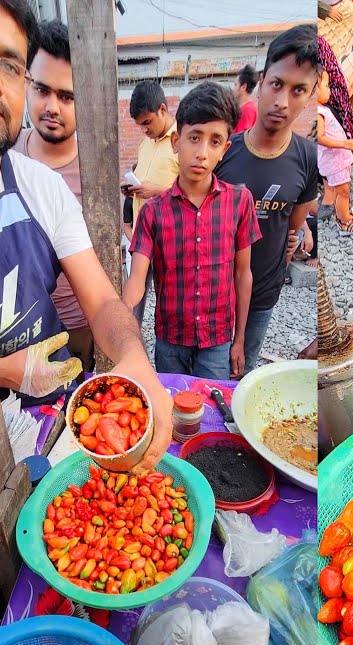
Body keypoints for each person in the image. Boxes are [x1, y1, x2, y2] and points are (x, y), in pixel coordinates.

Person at [0, 0, 171, 469]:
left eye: (9, 64)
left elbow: (103, 302)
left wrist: (133, 358)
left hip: (47, 414)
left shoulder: (38, 185)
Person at [122, 82, 258, 381]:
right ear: (176, 141)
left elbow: (242, 274)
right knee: (173, 411)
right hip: (170, 340)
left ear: (225, 149)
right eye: (194, 138)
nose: (201, 153)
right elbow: (137, 279)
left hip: (217, 340)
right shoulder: (153, 211)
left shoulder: (240, 202)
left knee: (212, 411)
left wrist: (239, 340)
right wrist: (118, 315)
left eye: (214, 141)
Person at [215, 24, 320, 374]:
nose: (282, 102)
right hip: (215, 292)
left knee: (243, 369)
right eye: (276, 84)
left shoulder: (307, 158)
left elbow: (292, 228)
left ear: (311, 94)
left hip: (263, 293)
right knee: (211, 375)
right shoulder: (224, 151)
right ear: (262, 81)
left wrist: (292, 244)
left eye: (298, 90)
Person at [11, 20, 94, 372]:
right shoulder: (2, 156)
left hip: (77, 319)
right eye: (42, 90)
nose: (52, 107)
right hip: (15, 326)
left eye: (67, 96)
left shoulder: (97, 174)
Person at [124, 80, 178, 229]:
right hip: (142, 238)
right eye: (140, 125)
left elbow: (194, 195)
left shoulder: (183, 142)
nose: (144, 130)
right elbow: (146, 188)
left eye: (147, 122)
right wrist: (134, 191)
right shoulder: (145, 145)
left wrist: (155, 191)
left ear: (162, 110)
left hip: (167, 238)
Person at [316, 71, 353, 235]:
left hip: (338, 161)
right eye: (325, 86)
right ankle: (345, 222)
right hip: (334, 162)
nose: (329, 90)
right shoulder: (318, 113)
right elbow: (320, 138)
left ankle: (344, 215)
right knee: (343, 192)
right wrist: (344, 143)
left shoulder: (324, 109)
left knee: (343, 190)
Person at [233, 63, 258, 134]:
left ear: (243, 87)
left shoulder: (247, 111)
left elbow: (240, 140)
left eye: (235, 85)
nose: (233, 88)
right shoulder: (245, 108)